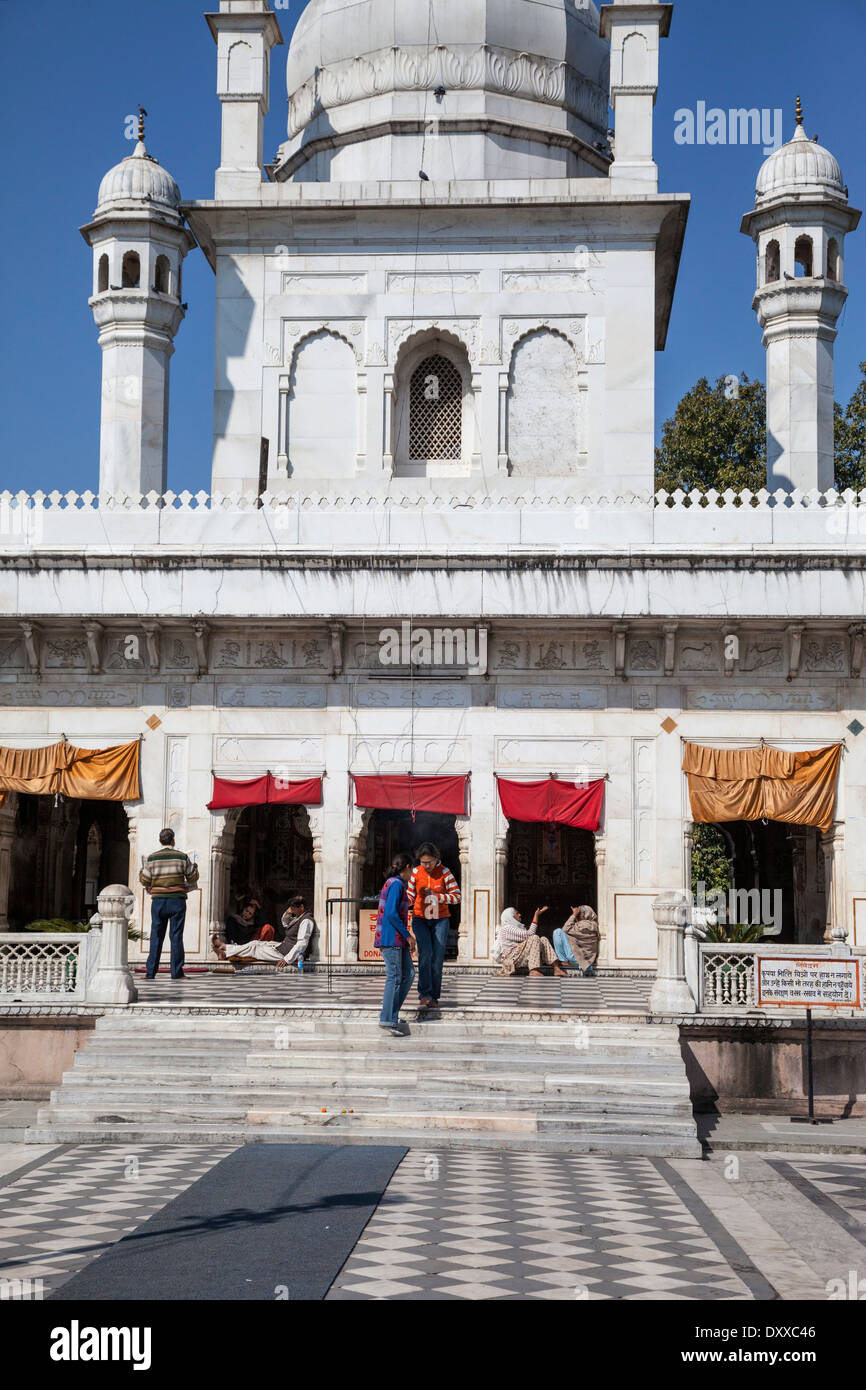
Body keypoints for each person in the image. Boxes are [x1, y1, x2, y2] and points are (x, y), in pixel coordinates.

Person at [139, 828, 199, 980]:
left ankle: (150, 972)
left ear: (160, 841)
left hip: (158, 902)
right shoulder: (182, 857)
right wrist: (195, 867)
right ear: (173, 840)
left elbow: (145, 880)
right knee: (176, 935)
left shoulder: (152, 859)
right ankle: (177, 972)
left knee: (156, 936)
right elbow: (192, 878)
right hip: (177, 901)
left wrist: (142, 872)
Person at [407, 841, 461, 1008]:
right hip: (420, 919)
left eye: (429, 862)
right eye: (424, 862)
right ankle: (424, 993)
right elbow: (410, 896)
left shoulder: (445, 873)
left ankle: (434, 997)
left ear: (436, 858)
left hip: (440, 920)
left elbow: (457, 897)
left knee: (437, 959)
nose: (427, 866)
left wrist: (439, 896)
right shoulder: (415, 873)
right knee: (425, 955)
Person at [211, 895, 315, 970]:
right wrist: (288, 913)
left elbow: (302, 943)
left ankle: (225, 952)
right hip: (282, 947)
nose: (291, 910)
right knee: (255, 943)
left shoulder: (306, 921)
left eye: (293, 908)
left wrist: (287, 959)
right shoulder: (298, 917)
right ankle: (225, 948)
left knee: (254, 949)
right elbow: (285, 924)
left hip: (285, 954)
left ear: (301, 907)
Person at [376, 852, 415, 1036]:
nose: (412, 872)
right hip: (392, 939)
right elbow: (391, 913)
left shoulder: (396, 884)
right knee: (395, 976)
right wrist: (408, 935)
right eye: (412, 868)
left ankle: (390, 1013)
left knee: (408, 974)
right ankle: (388, 1019)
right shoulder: (396, 884)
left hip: (397, 939)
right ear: (407, 867)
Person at [497, 905, 568, 978]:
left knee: (543, 939)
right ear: (511, 916)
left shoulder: (517, 927)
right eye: (517, 913)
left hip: (520, 957)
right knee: (534, 938)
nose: (519, 915)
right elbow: (530, 934)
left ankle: (556, 968)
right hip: (512, 960)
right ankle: (533, 970)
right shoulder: (507, 928)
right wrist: (536, 915)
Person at [553, 905, 600, 976]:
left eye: (579, 914)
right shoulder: (594, 925)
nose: (577, 917)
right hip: (588, 960)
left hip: (577, 958)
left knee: (558, 932)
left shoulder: (585, 925)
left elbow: (565, 929)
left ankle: (563, 960)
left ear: (584, 915)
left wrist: (574, 914)